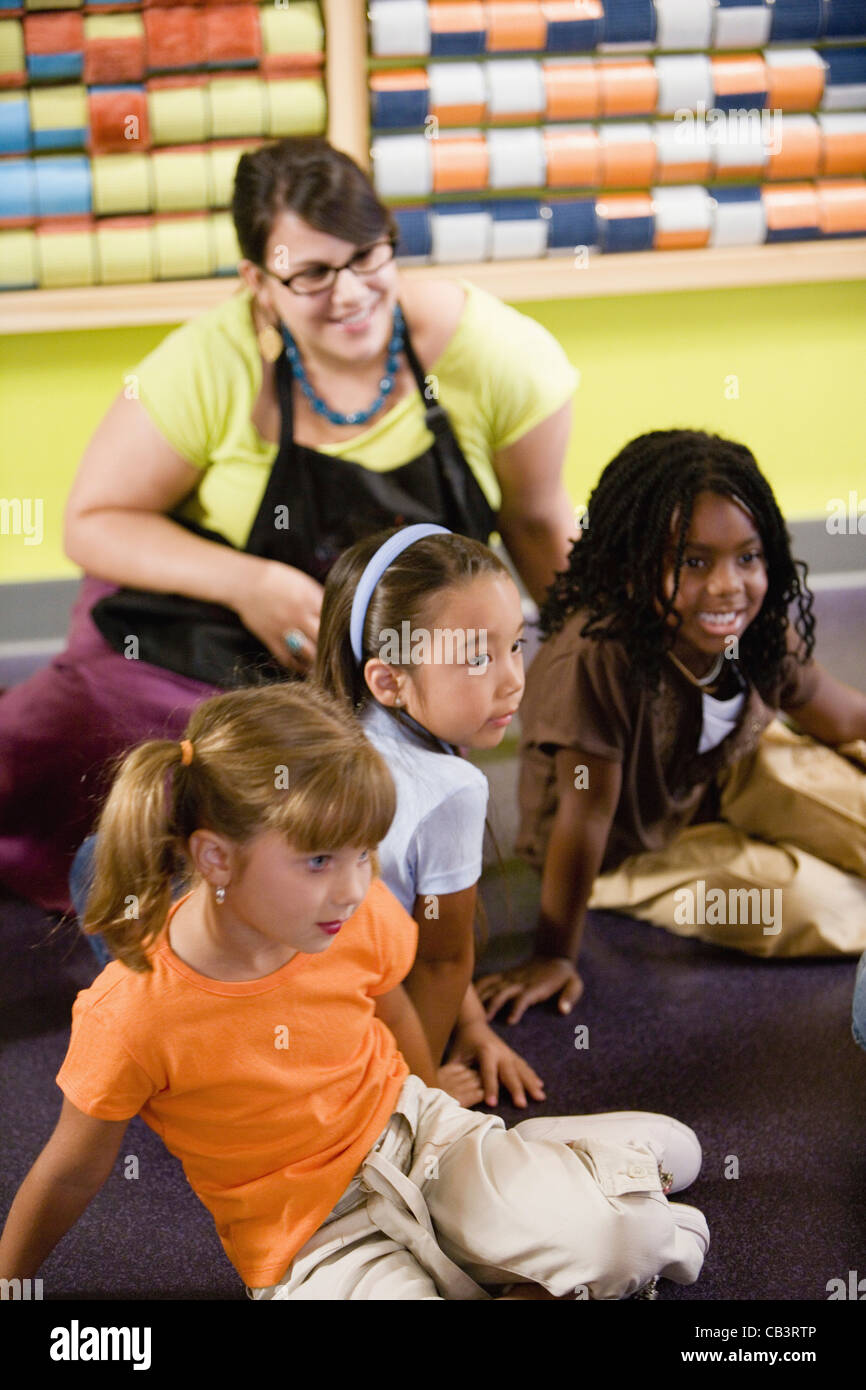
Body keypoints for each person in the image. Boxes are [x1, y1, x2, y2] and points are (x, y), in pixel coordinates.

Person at [0, 135, 578, 914]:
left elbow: (539, 527)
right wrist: (253, 584)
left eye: (368, 257)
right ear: (258, 283)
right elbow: (93, 522)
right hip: (205, 639)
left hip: (380, 676)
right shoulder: (210, 361)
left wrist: (585, 677)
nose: (349, 294)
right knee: (82, 759)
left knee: (319, 822)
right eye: (310, 273)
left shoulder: (496, 356)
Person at [0, 683, 709, 1301]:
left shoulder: (350, 913)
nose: (351, 887)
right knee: (632, 1225)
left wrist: (435, 1103)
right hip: (310, 1239)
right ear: (216, 856)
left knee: (662, 1190)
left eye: (364, 854)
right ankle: (530, 1225)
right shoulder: (131, 1012)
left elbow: (389, 1000)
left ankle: (522, 1184)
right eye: (317, 860)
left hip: (417, 1139)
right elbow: (68, 1172)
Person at [478, 430, 866, 1025]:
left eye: (748, 557)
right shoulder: (595, 661)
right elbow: (586, 819)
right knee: (818, 906)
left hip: (722, 773)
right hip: (623, 847)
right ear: (633, 566)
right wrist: (554, 954)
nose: (726, 585)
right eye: (693, 561)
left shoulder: (754, 633)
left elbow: (839, 716)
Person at [315, 522, 542, 1109]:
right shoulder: (450, 787)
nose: (512, 679)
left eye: (514, 644)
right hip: (334, 1071)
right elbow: (440, 960)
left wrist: (473, 1026)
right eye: (476, 657)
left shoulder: (341, 727)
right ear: (389, 680)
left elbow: (409, 921)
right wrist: (421, 1093)